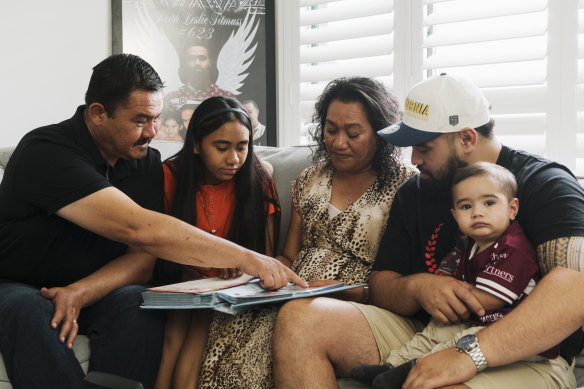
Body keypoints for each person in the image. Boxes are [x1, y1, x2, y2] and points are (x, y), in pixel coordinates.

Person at [0, 53, 304, 389]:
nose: (153, 131)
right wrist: (249, 258)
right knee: (27, 310)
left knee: (138, 301)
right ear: (98, 113)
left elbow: (142, 258)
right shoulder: (47, 151)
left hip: (97, 289)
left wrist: (79, 292)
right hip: (18, 285)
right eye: (140, 120)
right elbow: (139, 228)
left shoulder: (143, 163)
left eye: (157, 118)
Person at [273, 73, 584, 389]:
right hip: (425, 334)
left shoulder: (546, 185)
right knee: (300, 318)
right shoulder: (415, 191)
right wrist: (419, 287)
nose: (413, 160)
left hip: (525, 350)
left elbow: (576, 288)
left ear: (466, 139)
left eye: (423, 147)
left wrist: (467, 355)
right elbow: (382, 284)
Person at [192, 76, 417, 388]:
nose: (338, 142)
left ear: (380, 135)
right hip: (298, 290)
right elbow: (288, 253)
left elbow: (404, 280)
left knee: (290, 325)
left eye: (353, 133)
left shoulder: (405, 186)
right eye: (331, 129)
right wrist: (269, 277)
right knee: (231, 319)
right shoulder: (310, 178)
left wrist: (346, 289)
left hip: (358, 302)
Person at [352, 162, 561, 388]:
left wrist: (450, 298)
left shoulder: (513, 248)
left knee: (457, 342)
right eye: (465, 206)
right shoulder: (472, 246)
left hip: (511, 330)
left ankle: (412, 370)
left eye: (489, 203)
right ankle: (393, 365)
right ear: (454, 215)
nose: (477, 212)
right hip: (479, 320)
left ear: (512, 209)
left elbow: (491, 300)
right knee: (435, 330)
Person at [153, 96, 280, 389]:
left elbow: (268, 256)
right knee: (177, 327)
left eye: (242, 147)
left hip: (232, 291)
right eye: (222, 148)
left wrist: (241, 272)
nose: (234, 158)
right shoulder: (169, 177)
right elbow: (155, 246)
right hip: (180, 282)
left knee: (197, 324)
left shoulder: (258, 178)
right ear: (196, 144)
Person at [164, 41, 234, 115]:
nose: (197, 63)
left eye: (202, 58)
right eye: (192, 58)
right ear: (186, 62)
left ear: (210, 62)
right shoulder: (172, 98)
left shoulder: (226, 97)